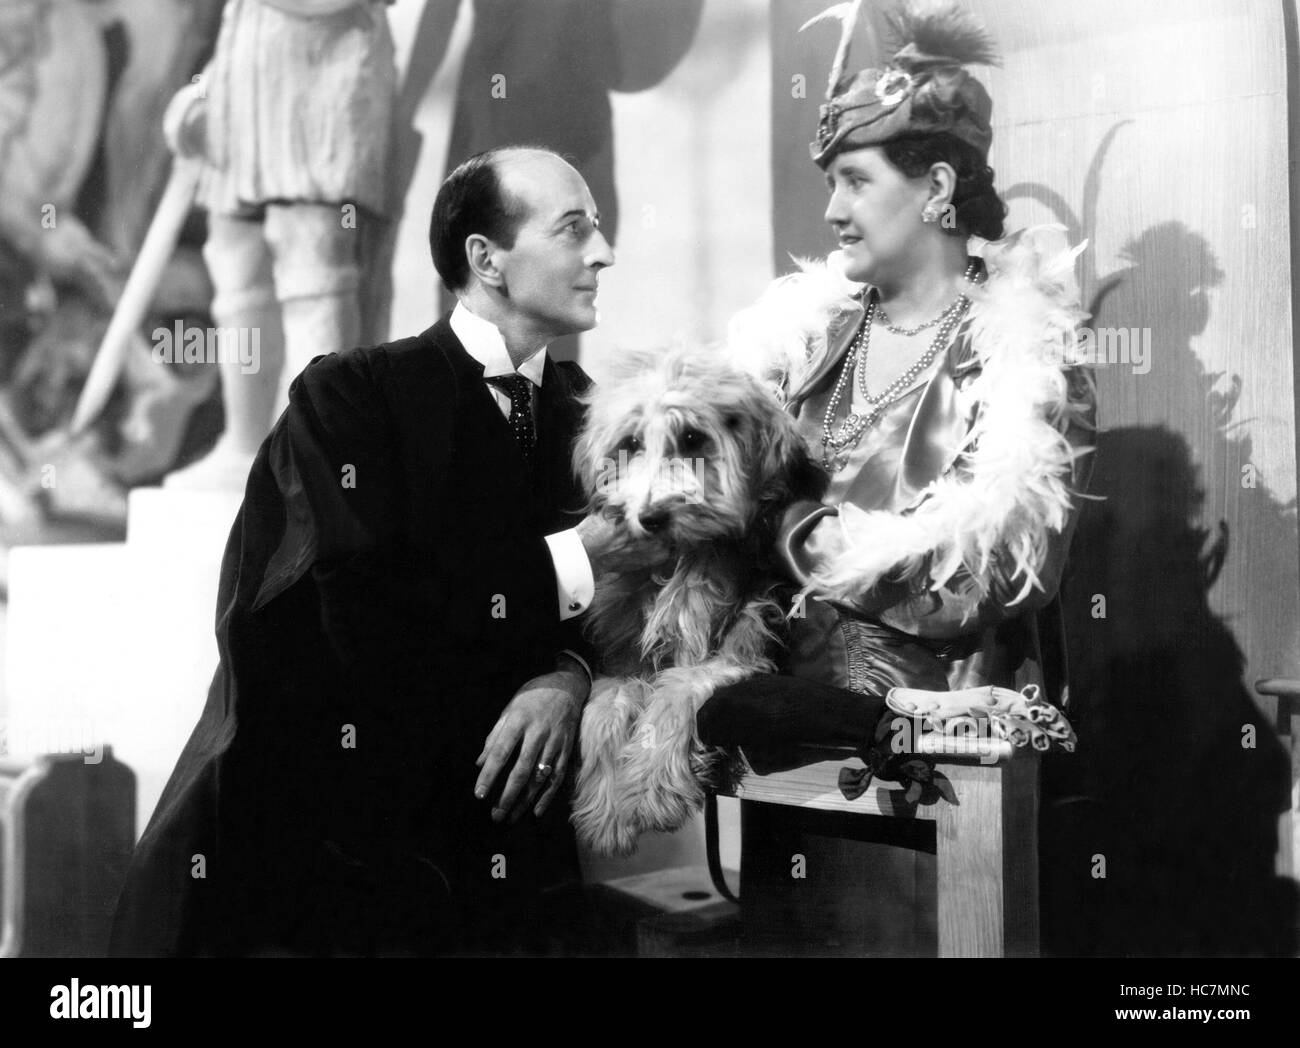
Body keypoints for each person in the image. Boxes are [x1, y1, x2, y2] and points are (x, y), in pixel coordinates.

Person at [108, 147, 660, 957]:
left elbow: (644, 606)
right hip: (360, 860)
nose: (602, 252)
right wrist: (571, 560)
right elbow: (361, 611)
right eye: (574, 229)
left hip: (528, 865)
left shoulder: (599, 417)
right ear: (487, 260)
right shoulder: (351, 396)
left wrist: (568, 678)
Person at [698, 2, 1096, 952]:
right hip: (789, 761)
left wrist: (793, 530)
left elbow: (991, 580)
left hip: (945, 781)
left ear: (937, 187)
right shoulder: (811, 342)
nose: (831, 209)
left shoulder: (1022, 361)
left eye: (853, 180)